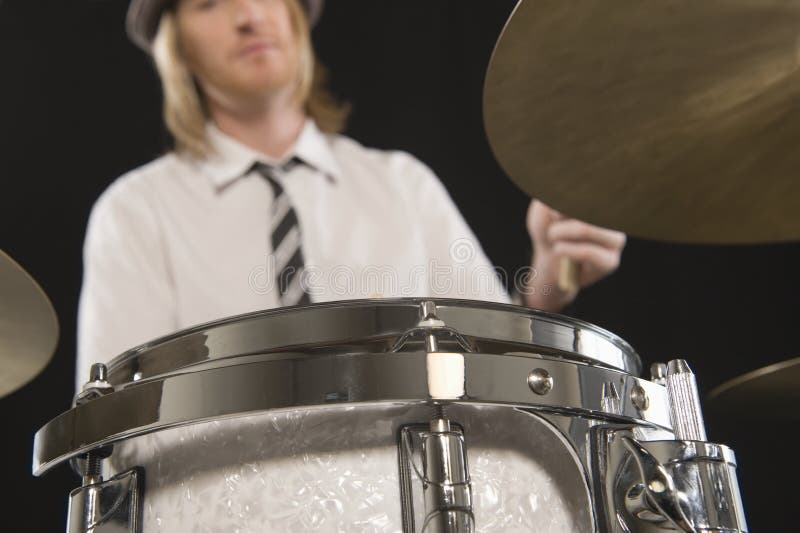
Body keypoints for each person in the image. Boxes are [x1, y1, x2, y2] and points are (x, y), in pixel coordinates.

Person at [76, 0, 626, 387]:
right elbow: (110, 417)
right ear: (179, 51)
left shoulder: (400, 183)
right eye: (209, 3)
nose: (249, 15)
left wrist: (549, 278)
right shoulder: (134, 213)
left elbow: (496, 357)